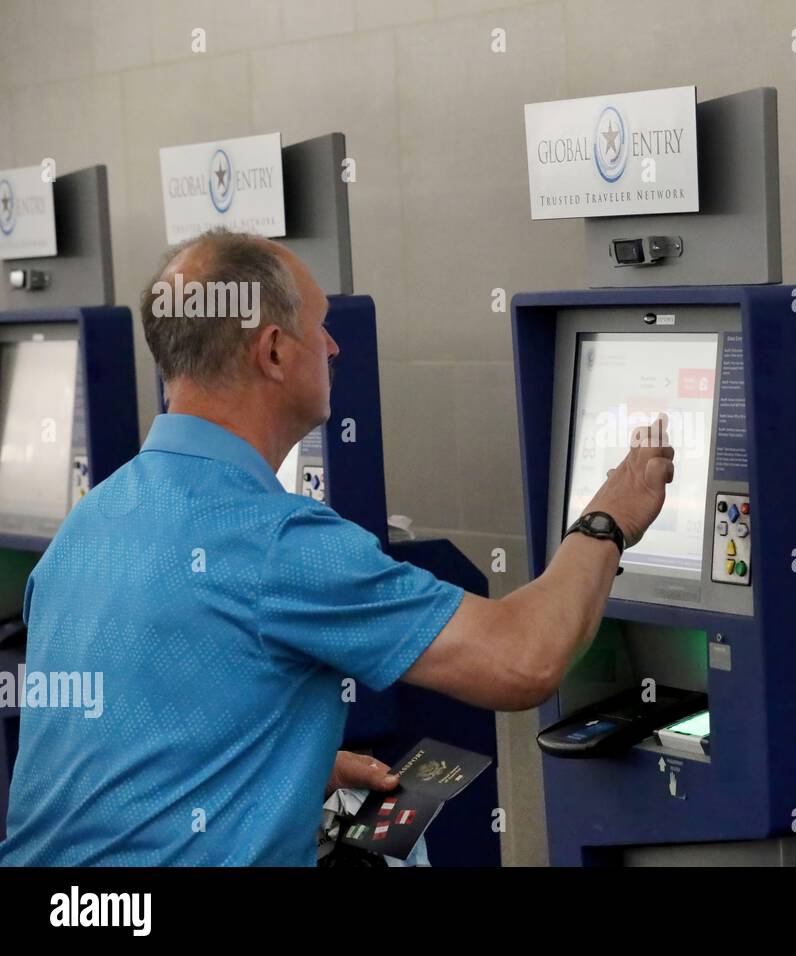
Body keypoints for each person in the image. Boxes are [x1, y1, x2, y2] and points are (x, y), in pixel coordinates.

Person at [0, 229, 672, 865]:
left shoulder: (87, 526)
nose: (333, 348)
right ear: (272, 353)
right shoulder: (278, 544)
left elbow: (114, 736)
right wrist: (608, 519)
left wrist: (287, 771)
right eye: (318, 328)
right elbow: (524, 661)